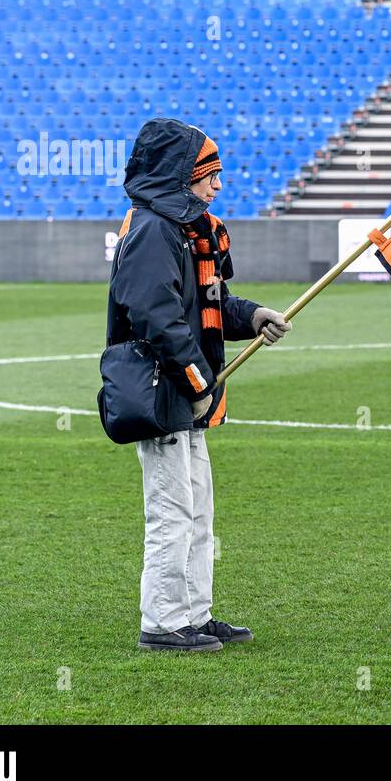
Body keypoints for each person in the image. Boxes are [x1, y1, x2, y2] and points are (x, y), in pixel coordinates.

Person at [105, 118, 292, 653]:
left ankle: (194, 614)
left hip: (183, 394)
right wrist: (195, 378)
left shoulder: (186, 231)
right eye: (208, 174)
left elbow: (207, 305)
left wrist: (254, 315)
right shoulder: (152, 229)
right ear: (178, 175)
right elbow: (154, 314)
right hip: (163, 393)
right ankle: (162, 624)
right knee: (172, 509)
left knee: (198, 507)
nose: (216, 185)